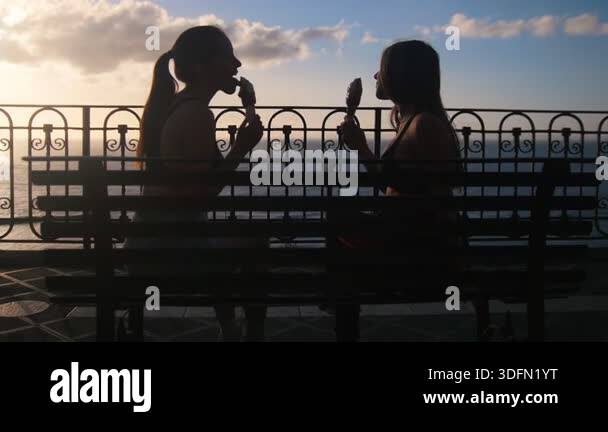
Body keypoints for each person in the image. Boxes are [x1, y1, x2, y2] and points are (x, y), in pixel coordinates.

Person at [127, 26, 265, 341]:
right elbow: (201, 196)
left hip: (148, 245)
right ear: (204, 67)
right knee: (254, 239)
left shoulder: (176, 105)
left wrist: (247, 117)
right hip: (172, 252)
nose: (238, 64)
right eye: (229, 57)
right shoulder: (196, 115)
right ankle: (247, 334)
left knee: (227, 236)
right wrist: (241, 149)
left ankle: (230, 330)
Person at [337, 40, 464, 269]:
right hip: (408, 236)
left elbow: (435, 194)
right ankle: (342, 299)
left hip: (416, 247)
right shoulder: (413, 122)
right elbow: (402, 184)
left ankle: (343, 298)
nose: (376, 76)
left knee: (336, 218)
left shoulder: (424, 124)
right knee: (339, 216)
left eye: (382, 70)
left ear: (401, 76)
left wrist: (362, 148)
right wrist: (361, 147)